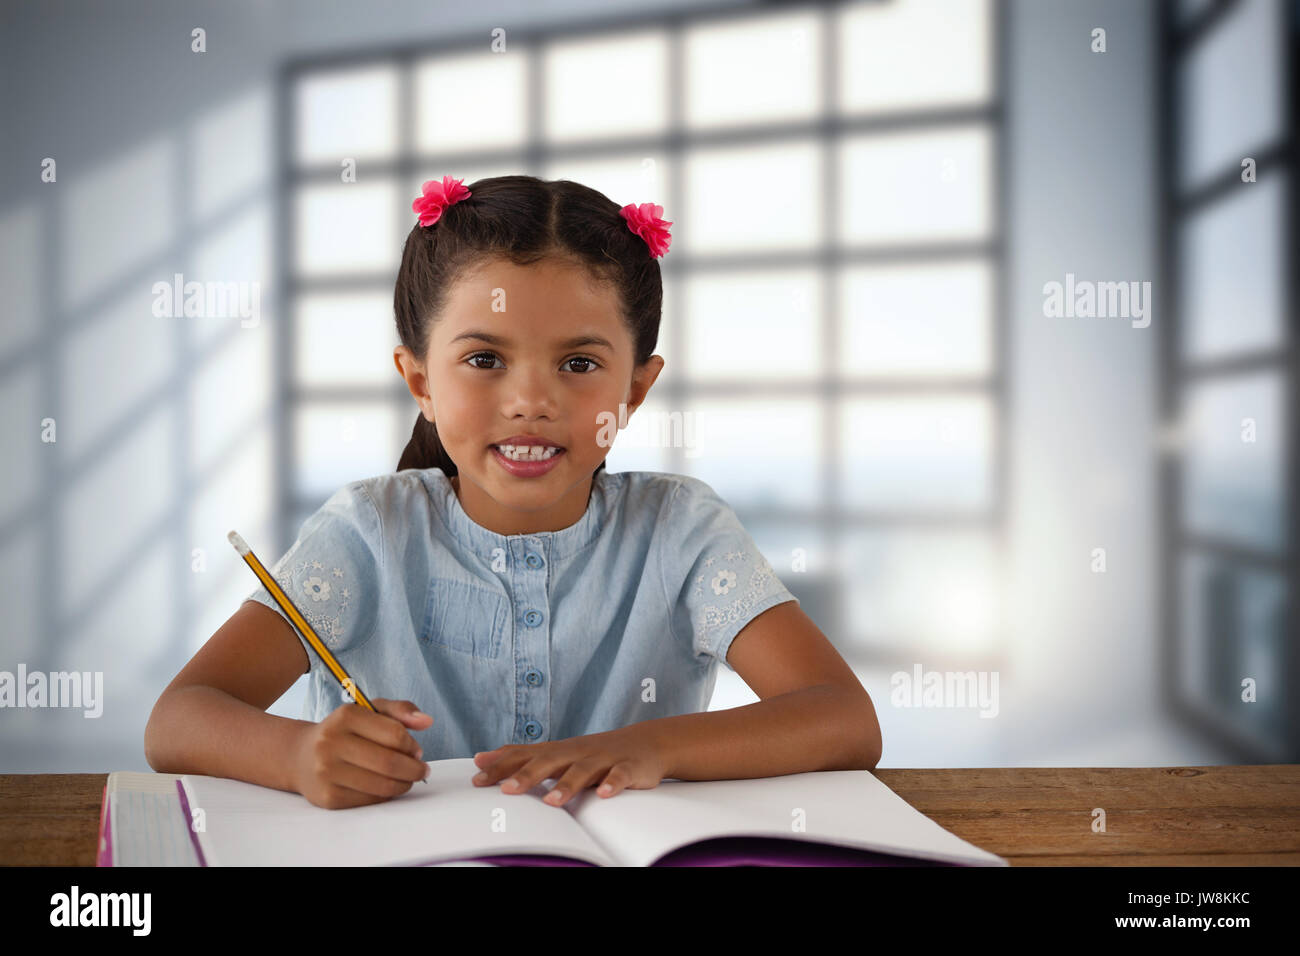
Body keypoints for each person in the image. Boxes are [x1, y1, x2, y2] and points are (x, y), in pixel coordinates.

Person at [145, 174, 882, 811]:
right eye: (486, 358)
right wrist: (298, 757)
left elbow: (843, 718)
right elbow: (178, 720)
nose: (531, 400)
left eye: (579, 363)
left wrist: (648, 746)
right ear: (421, 381)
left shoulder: (680, 530)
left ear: (635, 389)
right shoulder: (367, 532)